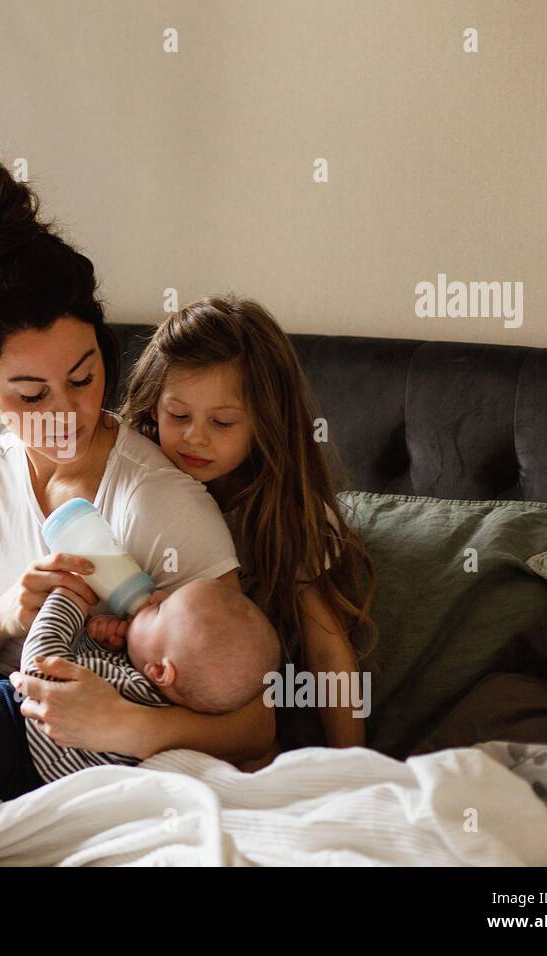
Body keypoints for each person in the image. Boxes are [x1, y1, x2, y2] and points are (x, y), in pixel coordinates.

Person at [0, 154, 277, 770]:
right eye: (31, 395)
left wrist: (128, 724)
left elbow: (256, 723)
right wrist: (1, 616)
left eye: (83, 378)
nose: (67, 412)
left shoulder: (159, 500)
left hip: (76, 765)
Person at [117, 295, 379, 748]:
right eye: (178, 415)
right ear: (153, 405)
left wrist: (352, 762)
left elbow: (327, 647)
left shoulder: (286, 514)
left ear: (266, 422)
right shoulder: (134, 477)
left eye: (222, 422)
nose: (194, 437)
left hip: (243, 722)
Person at [0, 579, 281, 800]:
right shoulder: (149, 686)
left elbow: (41, 664)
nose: (155, 595)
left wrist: (68, 601)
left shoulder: (131, 691)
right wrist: (105, 638)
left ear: (160, 671)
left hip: (18, 759)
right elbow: (87, 666)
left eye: (160, 609)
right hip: (18, 725)